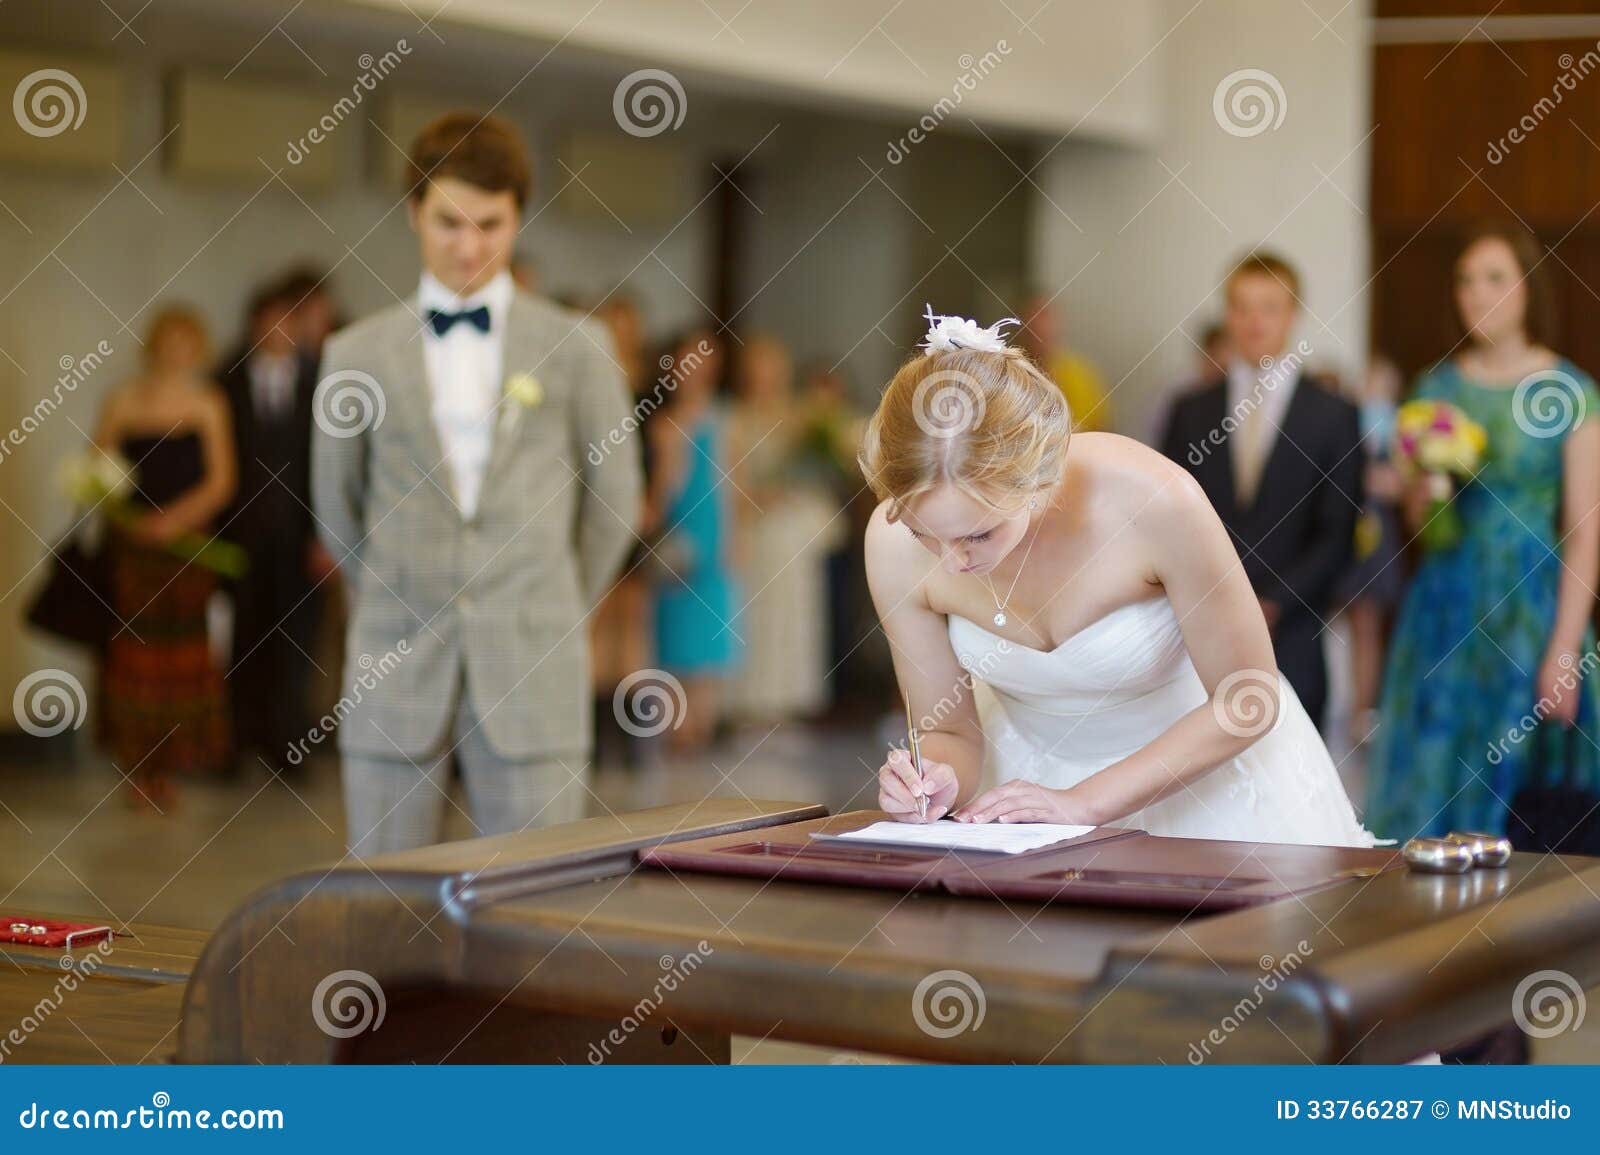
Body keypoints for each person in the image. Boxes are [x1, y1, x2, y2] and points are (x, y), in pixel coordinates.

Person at [861, 308, 1376, 846]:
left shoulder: (1155, 501)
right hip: (1023, 798)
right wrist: (939, 777)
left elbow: (1248, 700)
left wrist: (1083, 803)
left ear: (1038, 475)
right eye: (926, 535)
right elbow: (949, 731)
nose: (951, 562)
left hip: (1207, 786)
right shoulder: (891, 543)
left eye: (979, 535)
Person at [312, 112, 642, 854]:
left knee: (536, 912)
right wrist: (394, 587)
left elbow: (613, 500)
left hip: (535, 666)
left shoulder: (579, 348)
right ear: (413, 214)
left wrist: (553, 601)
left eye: (490, 224)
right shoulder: (351, 353)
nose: (469, 246)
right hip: (394, 663)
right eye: (448, 223)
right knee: (385, 908)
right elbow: (336, 505)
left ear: (519, 217)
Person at [1365, 224, 1600, 841]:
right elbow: (1424, 528)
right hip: (1445, 605)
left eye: (1494, 278)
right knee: (1434, 766)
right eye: (1465, 281)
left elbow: (1584, 527)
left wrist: (1567, 647)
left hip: (1531, 609)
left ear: (1527, 288)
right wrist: (1422, 498)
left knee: (1522, 792)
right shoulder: (1436, 388)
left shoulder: (1570, 391)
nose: (1477, 294)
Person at [1161, 252, 1363, 730]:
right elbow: (1164, 520)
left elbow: (1340, 530)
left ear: (1292, 315)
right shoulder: (1190, 411)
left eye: (1269, 307)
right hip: (1199, 634)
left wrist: (1273, 603)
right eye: (1242, 307)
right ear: (1227, 315)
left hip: (1293, 632)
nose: (1255, 321)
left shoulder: (1334, 413)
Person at [94, 306, 237, 810]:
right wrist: (134, 524)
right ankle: (136, 763)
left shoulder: (208, 403)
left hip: (186, 551)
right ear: (153, 344)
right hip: (134, 553)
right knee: (134, 658)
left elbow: (222, 481)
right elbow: (100, 472)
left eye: (187, 341)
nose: (177, 351)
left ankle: (173, 765)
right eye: (169, 340)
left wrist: (175, 521)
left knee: (182, 658)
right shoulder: (122, 401)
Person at [218, 280, 323, 778]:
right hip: (240, 535)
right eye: (271, 320)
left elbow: (326, 467)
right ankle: (236, 741)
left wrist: (323, 534)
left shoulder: (320, 381)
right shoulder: (226, 379)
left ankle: (288, 744)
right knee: (243, 638)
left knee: (295, 641)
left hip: (297, 534)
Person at [726, 335, 843, 723]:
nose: (767, 376)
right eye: (760, 367)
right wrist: (761, 497)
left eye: (773, 367)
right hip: (757, 526)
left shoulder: (800, 418)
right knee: (757, 613)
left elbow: (818, 469)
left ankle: (790, 694)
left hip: (791, 532)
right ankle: (752, 698)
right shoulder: (736, 419)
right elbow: (733, 481)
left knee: (794, 612)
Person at [646, 329, 738, 752]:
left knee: (711, 628)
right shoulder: (665, 425)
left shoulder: (723, 421)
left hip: (713, 529)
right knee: (675, 628)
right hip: (681, 530)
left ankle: (703, 723)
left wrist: (738, 533)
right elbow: (664, 489)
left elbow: (734, 482)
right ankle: (677, 727)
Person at [1017, 291, 1112, 432]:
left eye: (1045, 317)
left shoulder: (1081, 375)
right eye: (1032, 319)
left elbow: (1102, 429)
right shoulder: (1013, 372)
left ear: (1059, 325)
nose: (1039, 326)